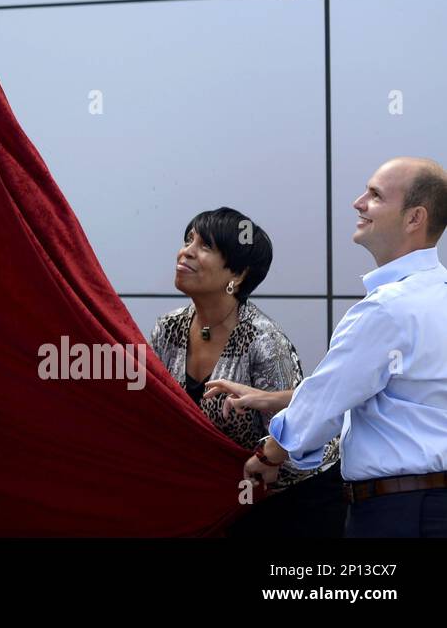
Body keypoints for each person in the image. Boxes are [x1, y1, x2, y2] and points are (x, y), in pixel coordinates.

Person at [243, 157, 447, 537]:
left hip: (399, 513)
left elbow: (327, 401)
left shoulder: (388, 308)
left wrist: (269, 453)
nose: (358, 202)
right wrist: (281, 400)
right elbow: (393, 393)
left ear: (414, 218)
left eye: (375, 195)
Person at [150, 208, 344, 536]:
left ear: (237, 275)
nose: (186, 251)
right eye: (188, 240)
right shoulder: (168, 328)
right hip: (225, 497)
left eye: (205, 246)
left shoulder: (262, 338)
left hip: (295, 498)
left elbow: (294, 429)